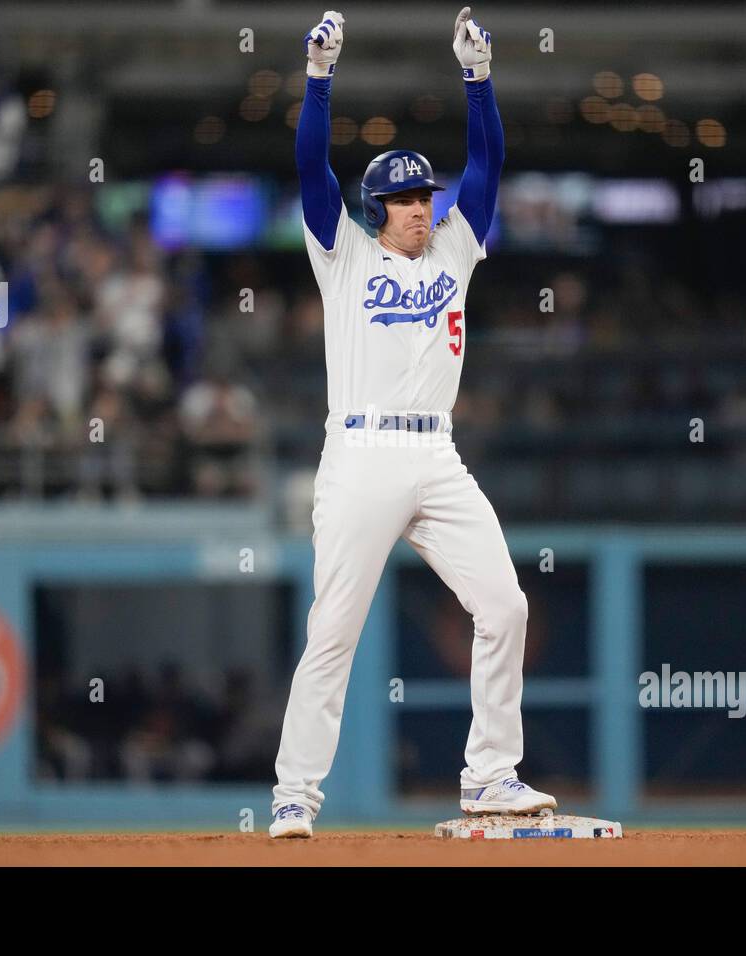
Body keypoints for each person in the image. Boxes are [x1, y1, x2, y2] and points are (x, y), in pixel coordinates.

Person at [269, 8, 555, 838]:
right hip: (358, 453)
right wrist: (318, 79)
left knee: (503, 606)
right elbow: (308, 164)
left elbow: (490, 160)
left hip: (437, 455)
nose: (420, 207)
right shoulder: (343, 251)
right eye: (402, 198)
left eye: (424, 193)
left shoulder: (458, 247)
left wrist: (479, 80)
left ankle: (492, 775)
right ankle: (295, 793)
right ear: (376, 209)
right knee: (335, 629)